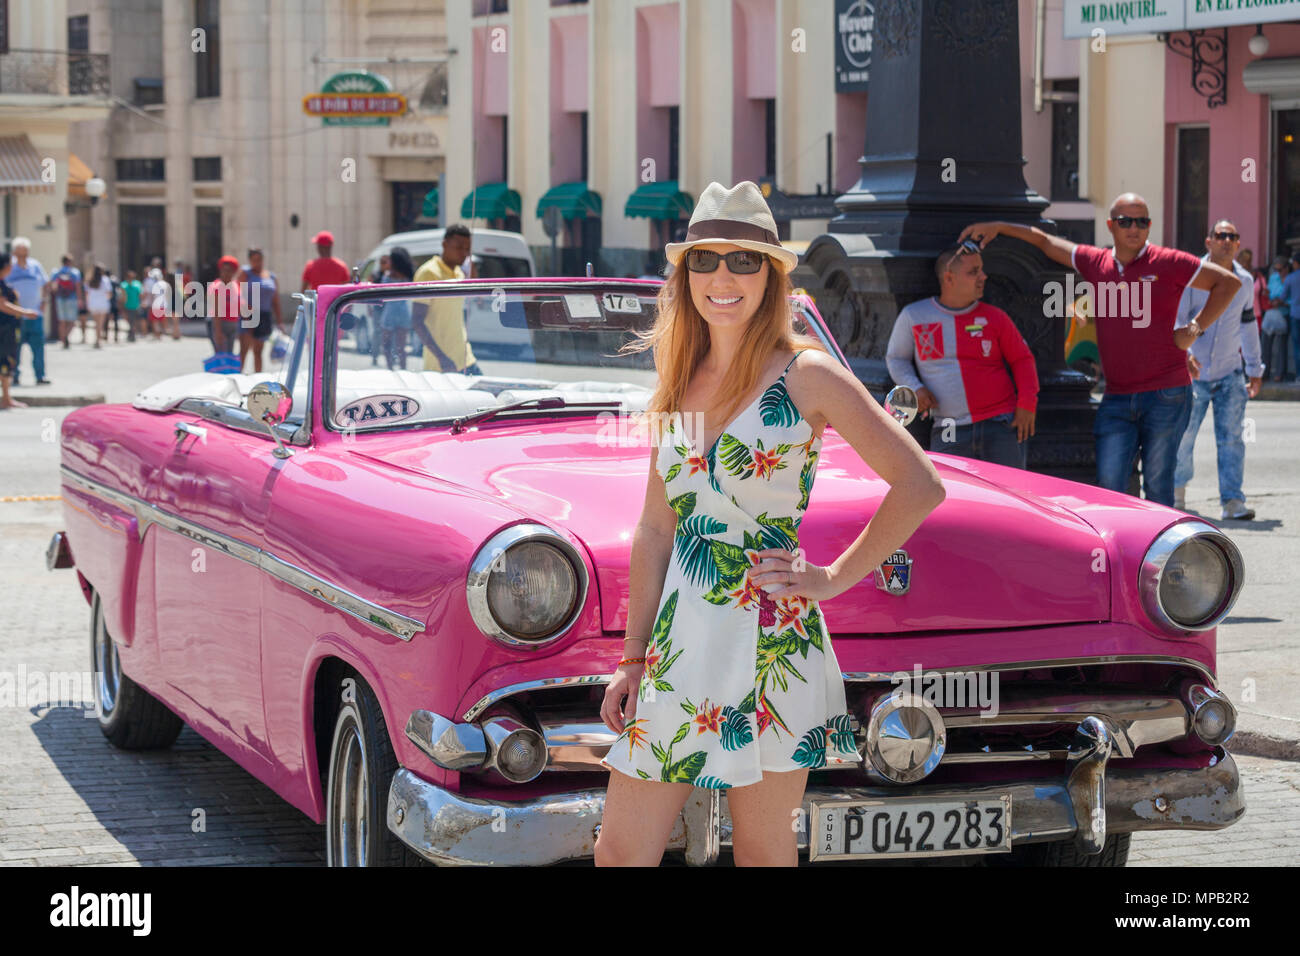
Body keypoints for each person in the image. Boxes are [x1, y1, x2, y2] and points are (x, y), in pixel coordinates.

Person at [594, 181, 946, 867]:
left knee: (762, 851)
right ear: (685, 274)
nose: (722, 277)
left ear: (771, 274)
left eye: (743, 261)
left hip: (773, 643)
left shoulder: (806, 375)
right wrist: (633, 658)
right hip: (679, 643)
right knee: (620, 851)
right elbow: (656, 531)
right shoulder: (678, 376)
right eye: (705, 260)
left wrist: (832, 578)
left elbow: (920, 484)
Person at [960, 193, 1240, 507]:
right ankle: (1117, 553)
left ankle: (1158, 556)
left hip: (1166, 393)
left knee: (1159, 487)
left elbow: (1228, 283)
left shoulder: (1167, 261)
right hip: (1117, 396)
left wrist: (1194, 329)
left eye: (1142, 221)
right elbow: (1045, 242)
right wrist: (999, 226)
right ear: (1111, 225)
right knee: (1109, 486)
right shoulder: (1096, 262)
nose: (1134, 228)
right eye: (1125, 221)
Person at [885, 239, 1039, 468]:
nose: (984, 276)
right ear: (949, 278)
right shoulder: (914, 316)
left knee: (1007, 499)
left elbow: (1022, 359)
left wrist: (1027, 403)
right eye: (973, 272)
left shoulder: (995, 317)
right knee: (952, 498)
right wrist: (915, 387)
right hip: (947, 426)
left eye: (982, 270)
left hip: (1000, 424)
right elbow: (896, 358)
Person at [1172, 220, 1264, 520]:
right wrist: (1183, 354)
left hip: (1229, 372)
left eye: (1232, 237)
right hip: (1193, 373)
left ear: (1238, 244)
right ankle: (1176, 496)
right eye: (1221, 235)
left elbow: (1248, 325)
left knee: (1232, 439)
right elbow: (1178, 319)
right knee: (1183, 436)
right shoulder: (1192, 275)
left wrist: (1254, 368)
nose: (1227, 241)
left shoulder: (1246, 281)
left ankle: (1233, 502)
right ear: (1208, 240)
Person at [411, 224, 481, 374]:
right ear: (444, 244)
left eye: (467, 249)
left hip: (467, 359)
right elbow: (417, 321)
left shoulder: (459, 273)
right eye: (459, 247)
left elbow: (477, 295)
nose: (464, 253)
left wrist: (472, 268)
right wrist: (441, 358)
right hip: (442, 365)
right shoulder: (429, 273)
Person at [0, 251, 41, 408]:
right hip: (2, 331)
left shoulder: (4, 282)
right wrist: (25, 313)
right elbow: (2, 305)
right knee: (3, 362)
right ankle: (6, 399)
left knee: (6, 363)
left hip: (7, 331)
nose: (12, 266)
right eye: (10, 263)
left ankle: (6, 398)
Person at [7, 237, 49, 385]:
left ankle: (40, 375)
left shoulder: (35, 265)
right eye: (19, 254)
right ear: (13, 253)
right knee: (15, 348)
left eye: (25, 254)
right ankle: (14, 376)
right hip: (15, 316)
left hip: (35, 314)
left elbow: (46, 284)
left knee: (38, 348)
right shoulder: (9, 267)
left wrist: (44, 301)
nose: (22, 257)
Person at [240, 248, 282, 373]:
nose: (257, 263)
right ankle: (238, 376)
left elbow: (275, 301)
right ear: (250, 261)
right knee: (244, 350)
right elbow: (238, 294)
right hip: (248, 314)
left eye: (259, 260)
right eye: (254, 260)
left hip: (264, 316)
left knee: (258, 351)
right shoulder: (246, 273)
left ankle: (257, 378)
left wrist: (280, 321)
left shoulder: (271, 276)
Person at [378, 246, 415, 371]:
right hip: (403, 312)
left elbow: (382, 294)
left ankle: (390, 369)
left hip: (390, 312)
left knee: (387, 344)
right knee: (401, 346)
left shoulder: (388, 275)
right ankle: (403, 369)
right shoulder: (407, 276)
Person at [207, 255, 244, 355]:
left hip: (232, 323)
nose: (226, 273)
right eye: (224, 270)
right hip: (219, 323)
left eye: (229, 270)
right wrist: (218, 332)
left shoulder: (235, 285)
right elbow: (216, 310)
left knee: (229, 353)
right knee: (221, 354)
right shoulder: (216, 286)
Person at [1262, 255, 1290, 382]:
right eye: (1276, 269)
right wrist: (1267, 295)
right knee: (1266, 344)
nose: (1278, 272)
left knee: (1281, 345)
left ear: (1286, 268)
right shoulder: (1273, 278)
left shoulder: (1290, 279)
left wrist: (1281, 302)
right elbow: (1268, 291)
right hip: (1271, 313)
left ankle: (1280, 373)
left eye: (1280, 270)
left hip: (1284, 313)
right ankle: (1265, 372)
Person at [47, 255, 83, 349]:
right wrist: (80, 299)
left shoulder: (56, 272)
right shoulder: (75, 272)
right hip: (72, 298)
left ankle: (63, 341)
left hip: (60, 298)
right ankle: (66, 336)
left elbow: (51, 285)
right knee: (72, 321)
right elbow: (78, 286)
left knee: (62, 321)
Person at [83, 263, 114, 350]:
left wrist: (88, 303)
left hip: (93, 303)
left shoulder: (89, 280)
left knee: (96, 323)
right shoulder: (105, 280)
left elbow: (87, 294)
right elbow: (109, 293)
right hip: (103, 303)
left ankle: (97, 340)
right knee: (101, 323)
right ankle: (98, 340)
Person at [1281, 251, 1300, 382]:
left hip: (1295, 314)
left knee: (1297, 346)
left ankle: (1299, 374)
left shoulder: (1291, 278)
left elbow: (1283, 297)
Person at [146, 267, 171, 341]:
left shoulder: (153, 284)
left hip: (155, 304)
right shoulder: (165, 284)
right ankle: (163, 333)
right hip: (163, 304)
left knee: (155, 321)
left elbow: (152, 295)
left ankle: (157, 334)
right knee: (162, 320)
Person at [119, 270, 143, 343]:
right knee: (130, 321)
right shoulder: (123, 284)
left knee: (134, 321)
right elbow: (122, 297)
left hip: (135, 305)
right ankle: (132, 333)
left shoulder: (137, 284)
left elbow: (140, 295)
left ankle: (132, 334)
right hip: (126, 306)